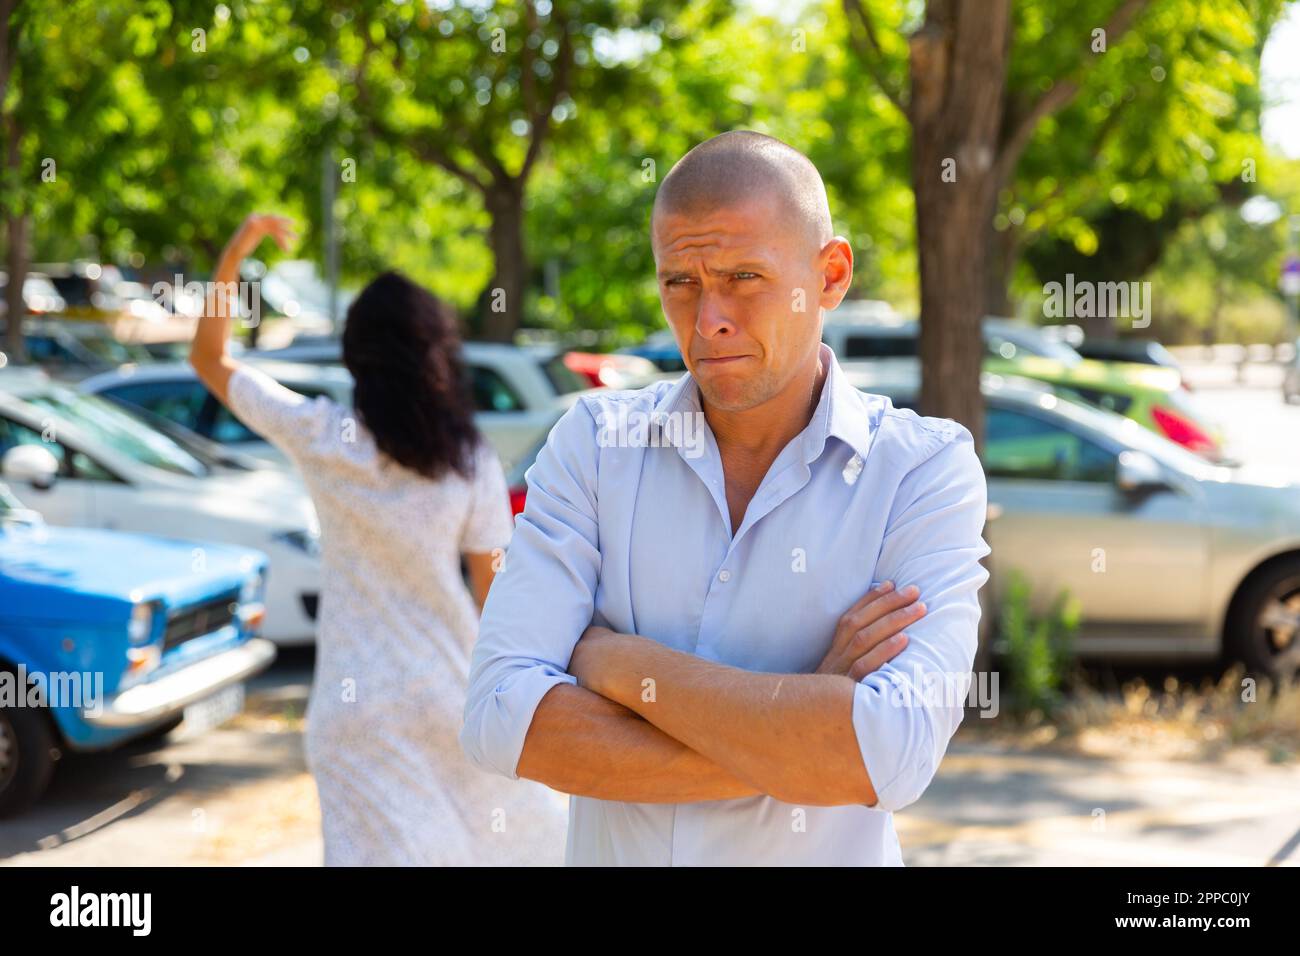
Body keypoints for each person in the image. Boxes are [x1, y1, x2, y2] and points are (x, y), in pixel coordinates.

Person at [461, 131, 990, 866]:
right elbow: (497, 720)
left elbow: (889, 758)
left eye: (744, 276)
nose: (708, 318)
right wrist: (802, 720)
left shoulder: (920, 469)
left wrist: (613, 663)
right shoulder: (593, 443)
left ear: (830, 276)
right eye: (680, 282)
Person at [190, 214, 566, 865]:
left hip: (355, 709)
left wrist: (238, 246)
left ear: (355, 355)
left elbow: (209, 358)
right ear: (437, 353)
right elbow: (495, 594)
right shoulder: (467, 459)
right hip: (453, 699)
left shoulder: (319, 434)